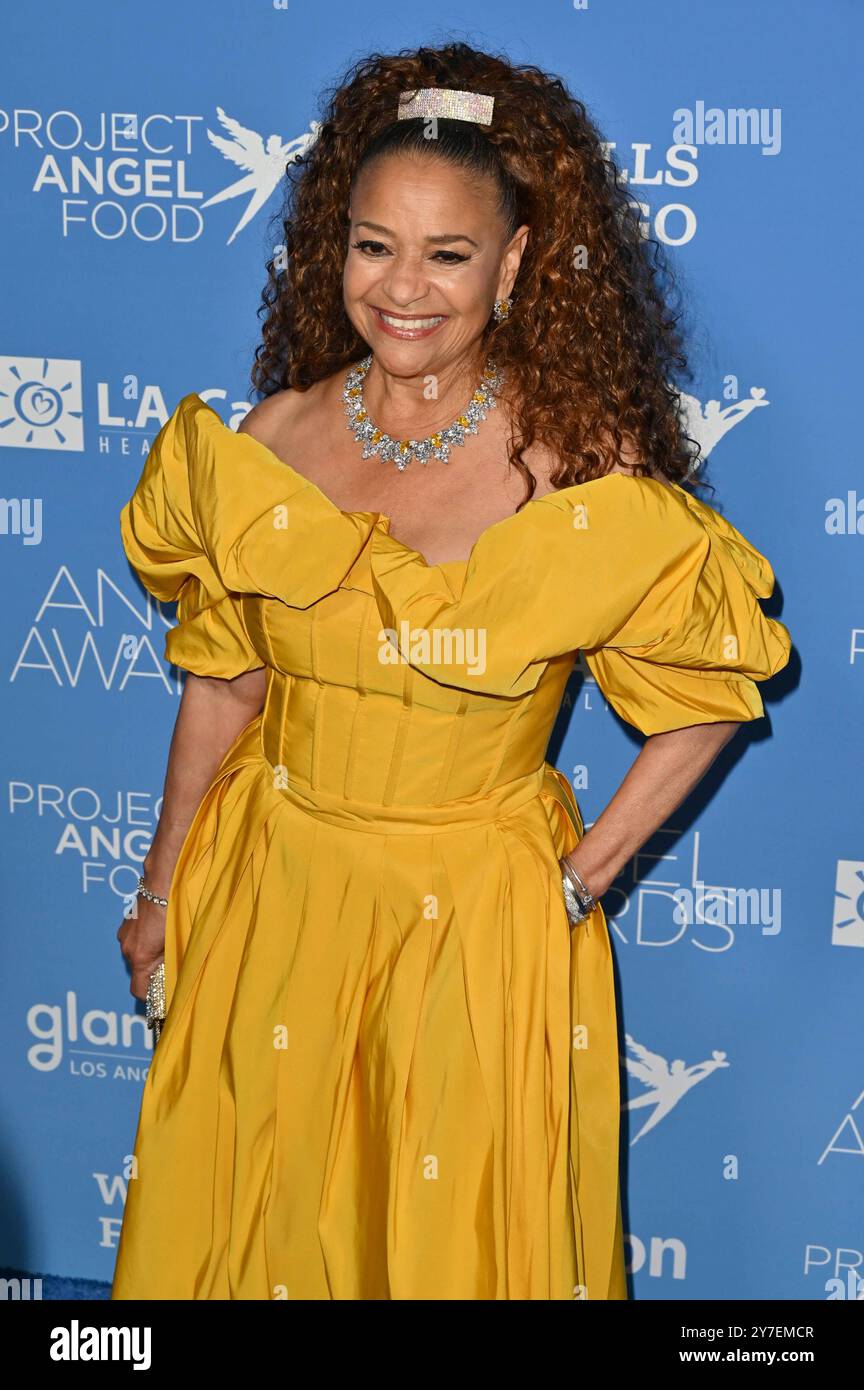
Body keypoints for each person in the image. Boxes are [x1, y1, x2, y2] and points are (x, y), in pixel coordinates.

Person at [111, 42, 791, 1301]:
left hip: (471, 928)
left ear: (517, 262)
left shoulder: (576, 461)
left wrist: (581, 881)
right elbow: (223, 684)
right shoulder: (270, 439)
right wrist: (163, 891)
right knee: (257, 1227)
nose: (403, 289)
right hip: (276, 894)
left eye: (448, 253)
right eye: (375, 245)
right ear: (337, 247)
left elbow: (706, 693)